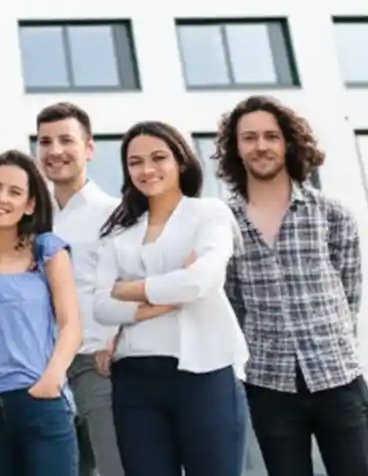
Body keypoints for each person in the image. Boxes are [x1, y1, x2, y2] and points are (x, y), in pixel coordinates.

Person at [215, 96, 368, 475]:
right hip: (269, 384)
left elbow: (350, 292)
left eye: (271, 136)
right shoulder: (223, 222)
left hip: (338, 377)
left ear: (288, 143)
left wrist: (331, 342)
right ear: (236, 148)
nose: (261, 146)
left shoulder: (332, 214)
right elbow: (231, 302)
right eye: (249, 137)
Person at [93, 121, 248, 476]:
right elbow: (101, 306)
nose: (146, 170)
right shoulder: (119, 230)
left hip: (204, 374)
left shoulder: (209, 213)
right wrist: (168, 297)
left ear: (181, 161)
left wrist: (130, 287)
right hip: (134, 379)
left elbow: (200, 281)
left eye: (158, 157)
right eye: (135, 162)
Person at [0, 150, 82, 476]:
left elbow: (71, 325)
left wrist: (50, 382)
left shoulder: (47, 249)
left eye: (14, 192)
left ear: (30, 205)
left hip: (40, 403)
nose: (1, 198)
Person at [34, 103, 124, 476]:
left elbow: (129, 282)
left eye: (66, 140)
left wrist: (117, 339)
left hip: (99, 364)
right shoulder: (36, 220)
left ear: (89, 148)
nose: (55, 150)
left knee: (116, 468)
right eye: (45, 142)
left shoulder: (116, 214)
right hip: (47, 371)